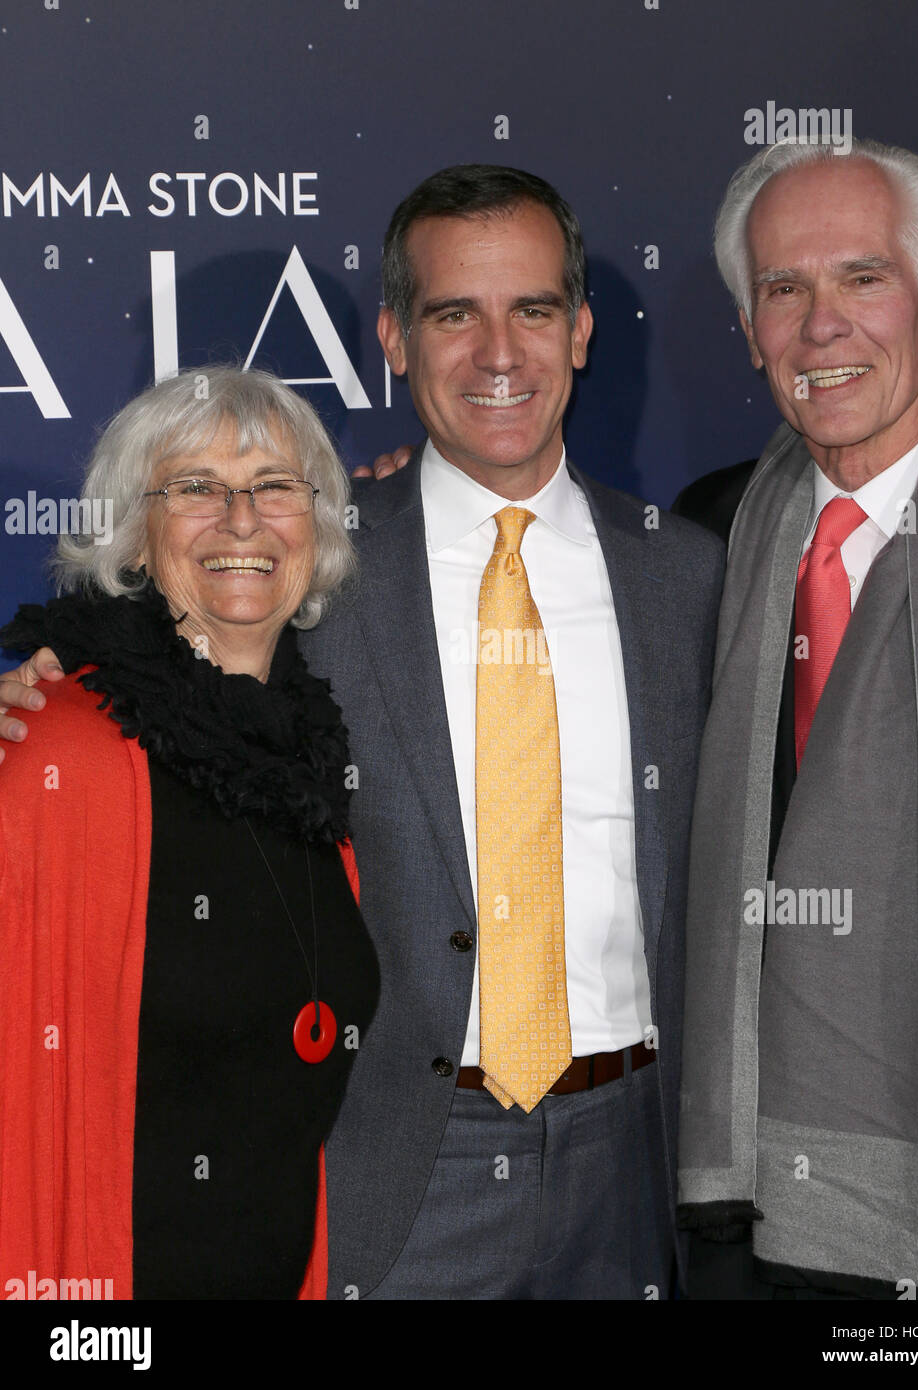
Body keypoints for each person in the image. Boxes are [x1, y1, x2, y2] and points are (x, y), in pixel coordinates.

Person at [3, 165, 723, 1300]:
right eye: (453, 313)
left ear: (580, 331)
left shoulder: (685, 573)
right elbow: (157, 662)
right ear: (394, 337)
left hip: (628, 1166)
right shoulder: (312, 567)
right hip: (393, 1167)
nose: (498, 352)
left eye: (531, 309)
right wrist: (44, 683)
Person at [674, 138, 918, 1299]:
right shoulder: (701, 537)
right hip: (715, 1207)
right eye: (782, 289)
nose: (821, 325)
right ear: (750, 326)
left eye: (860, 278)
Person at [0, 366, 378, 1299]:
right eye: (195, 488)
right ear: (134, 537)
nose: (241, 520)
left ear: (318, 530)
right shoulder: (63, 743)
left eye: (275, 487)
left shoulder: (306, 744)